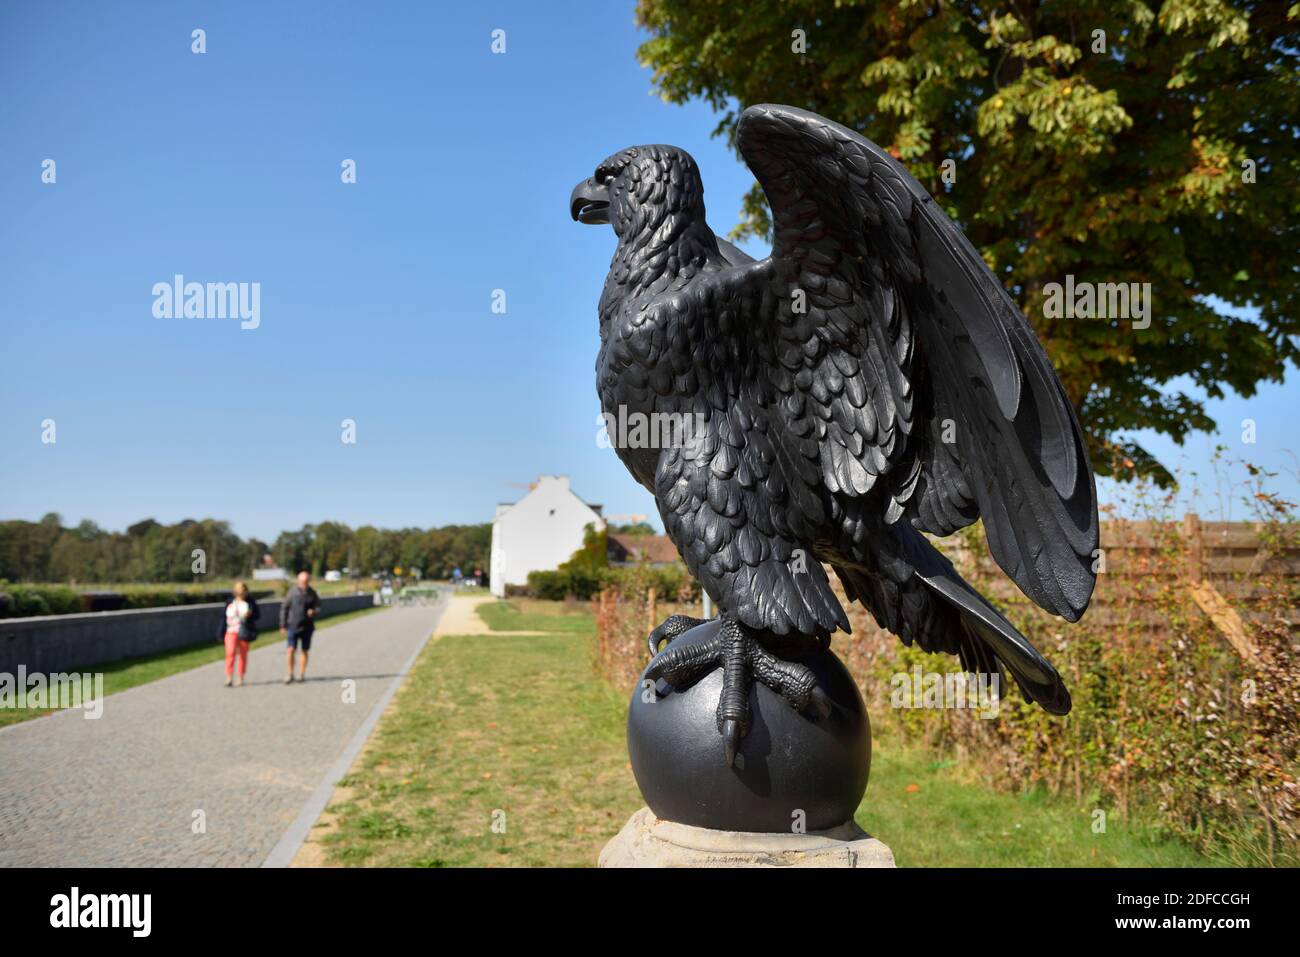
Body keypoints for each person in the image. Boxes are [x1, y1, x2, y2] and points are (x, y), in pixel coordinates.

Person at [280, 570, 320, 683]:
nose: (304, 583)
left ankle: (301, 674)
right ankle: (290, 673)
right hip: (293, 625)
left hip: (307, 626)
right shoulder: (292, 592)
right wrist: (283, 624)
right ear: (298, 581)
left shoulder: (313, 593)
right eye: (302, 581)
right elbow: (284, 608)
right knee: (291, 649)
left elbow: (318, 608)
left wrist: (314, 612)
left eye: (306, 581)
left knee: (304, 650)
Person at [221, 581, 259, 687]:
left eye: (243, 593)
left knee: (243, 655)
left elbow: (257, 615)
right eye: (239, 593)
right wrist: (220, 632)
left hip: (244, 632)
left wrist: (250, 615)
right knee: (230, 653)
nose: (241, 595)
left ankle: (241, 676)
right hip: (230, 631)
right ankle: (229, 677)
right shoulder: (230, 602)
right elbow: (223, 618)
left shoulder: (250, 602)